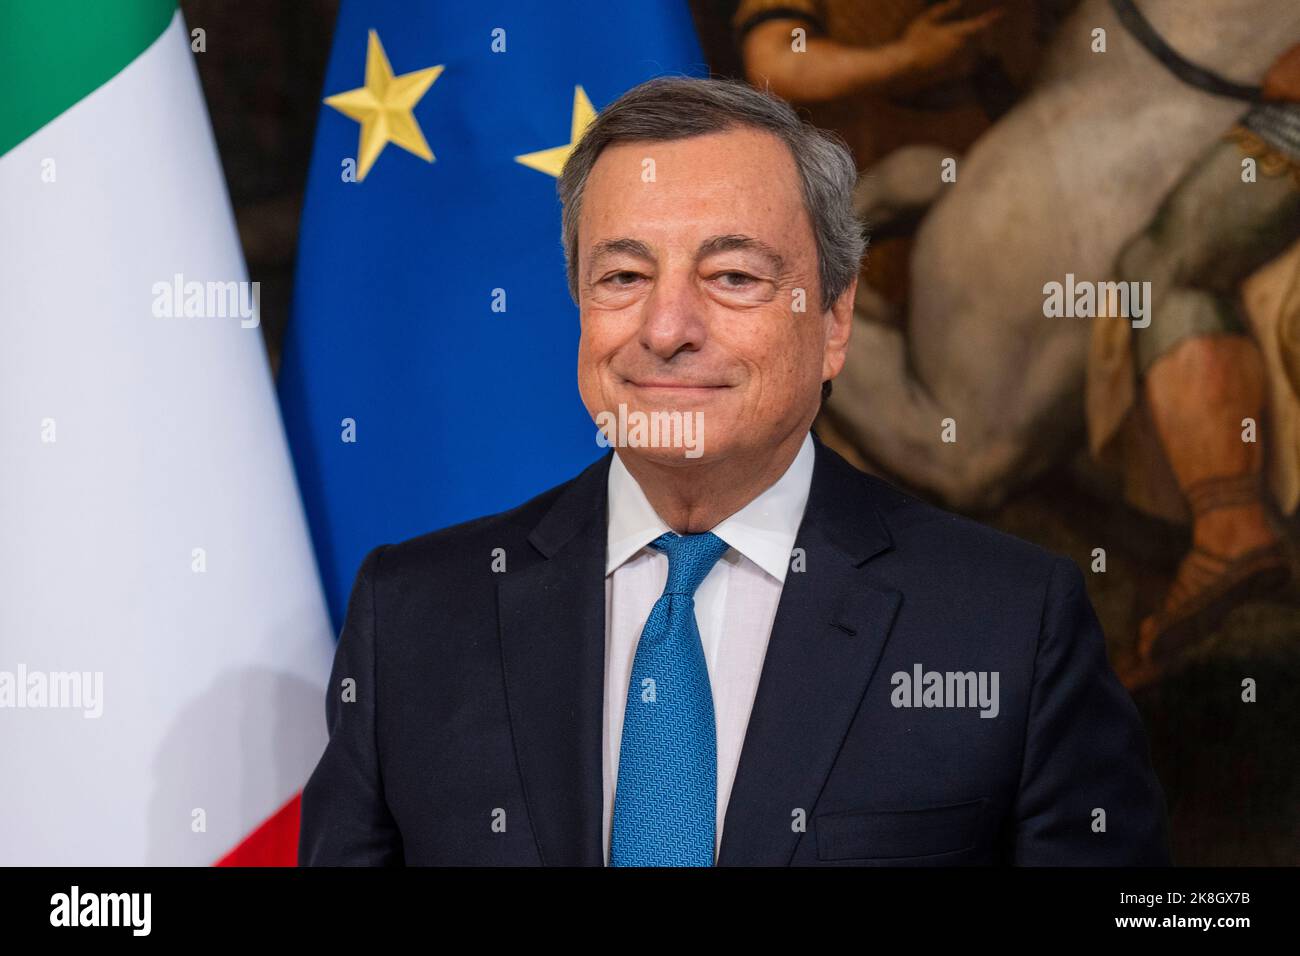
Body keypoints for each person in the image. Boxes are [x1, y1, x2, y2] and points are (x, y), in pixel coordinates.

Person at [298, 76, 1169, 866]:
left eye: (732, 275)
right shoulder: (413, 618)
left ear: (833, 319)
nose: (667, 326)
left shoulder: (1011, 623)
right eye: (625, 273)